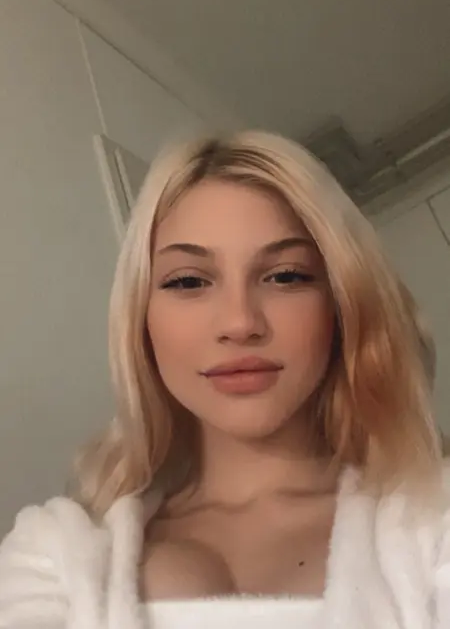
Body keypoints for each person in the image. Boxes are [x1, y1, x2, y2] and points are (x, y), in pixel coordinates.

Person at [0, 130, 449, 629]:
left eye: (286, 276)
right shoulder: (54, 553)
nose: (239, 323)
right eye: (188, 281)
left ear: (343, 306)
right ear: (141, 320)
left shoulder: (435, 518)